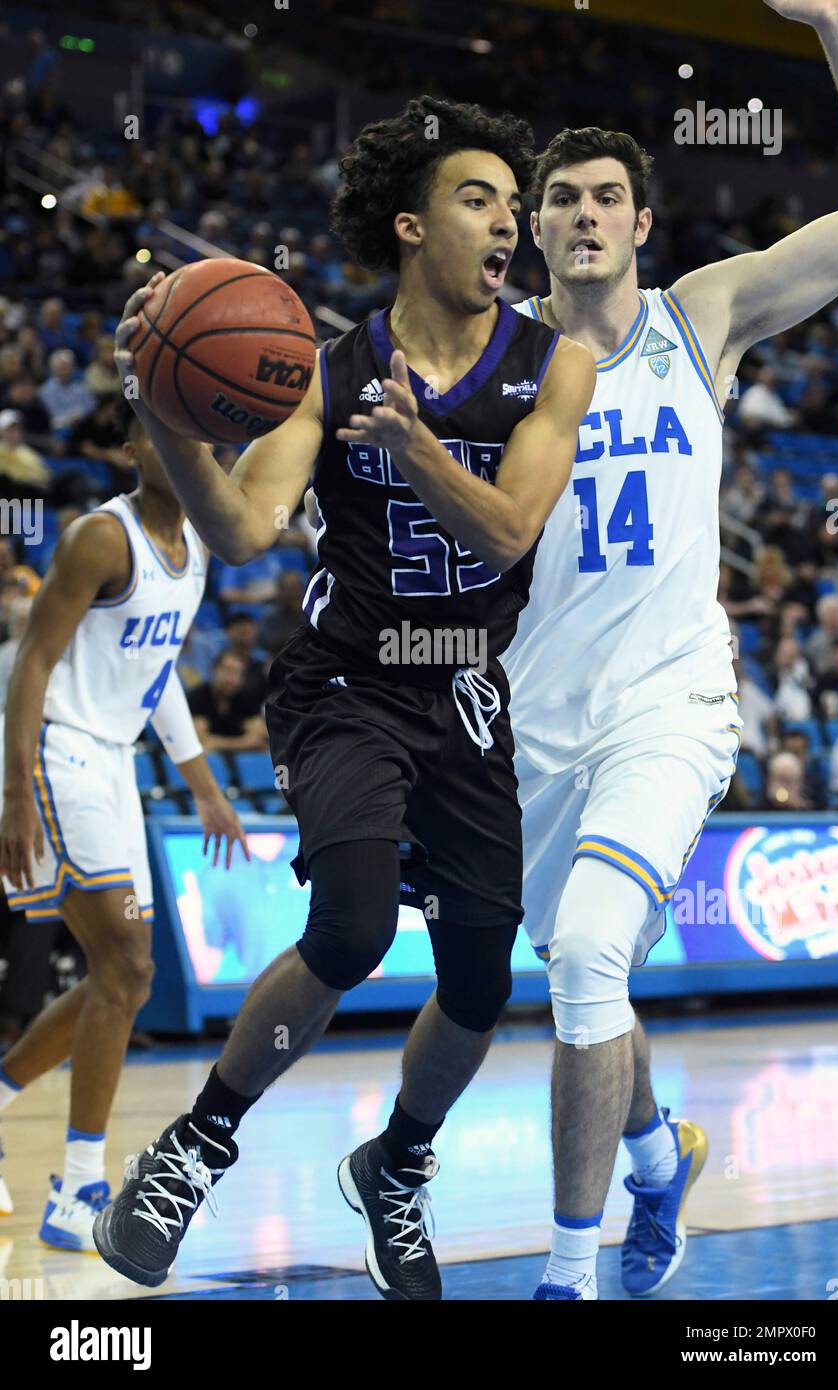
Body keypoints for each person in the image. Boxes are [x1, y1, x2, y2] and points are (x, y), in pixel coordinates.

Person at [92, 95, 594, 1298]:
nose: (508, 224)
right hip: (347, 686)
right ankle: (193, 1146)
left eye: (513, 206)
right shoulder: (326, 373)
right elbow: (243, 529)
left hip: (464, 693)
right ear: (410, 225)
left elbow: (507, 532)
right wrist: (163, 409)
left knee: (479, 983)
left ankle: (395, 1163)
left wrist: (416, 449)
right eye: (478, 198)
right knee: (353, 930)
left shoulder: (554, 364)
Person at [501, 0, 838, 1301]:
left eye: (607, 196)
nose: (585, 213)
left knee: (588, 957)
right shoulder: (494, 352)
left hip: (671, 709)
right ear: (531, 225)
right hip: (532, 724)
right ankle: (659, 1156)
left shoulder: (698, 315)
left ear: (641, 223)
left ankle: (568, 1272)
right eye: (562, 198)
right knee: (582, 977)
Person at [0, 406, 248, 1250]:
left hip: (114, 765)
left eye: (192, 438)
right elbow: (32, 662)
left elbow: (159, 669)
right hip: (58, 750)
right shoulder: (99, 539)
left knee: (126, 979)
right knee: (127, 964)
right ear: (131, 447)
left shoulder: (201, 547)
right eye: (159, 434)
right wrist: (15, 791)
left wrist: (205, 786)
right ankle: (78, 1187)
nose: (178, 450)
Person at [188, 649, 268, 752]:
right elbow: (199, 740)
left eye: (237, 673)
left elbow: (259, 738)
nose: (230, 679)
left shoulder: (247, 699)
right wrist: (243, 743)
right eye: (227, 670)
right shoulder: (198, 696)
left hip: (242, 759)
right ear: (214, 670)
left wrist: (216, 743)